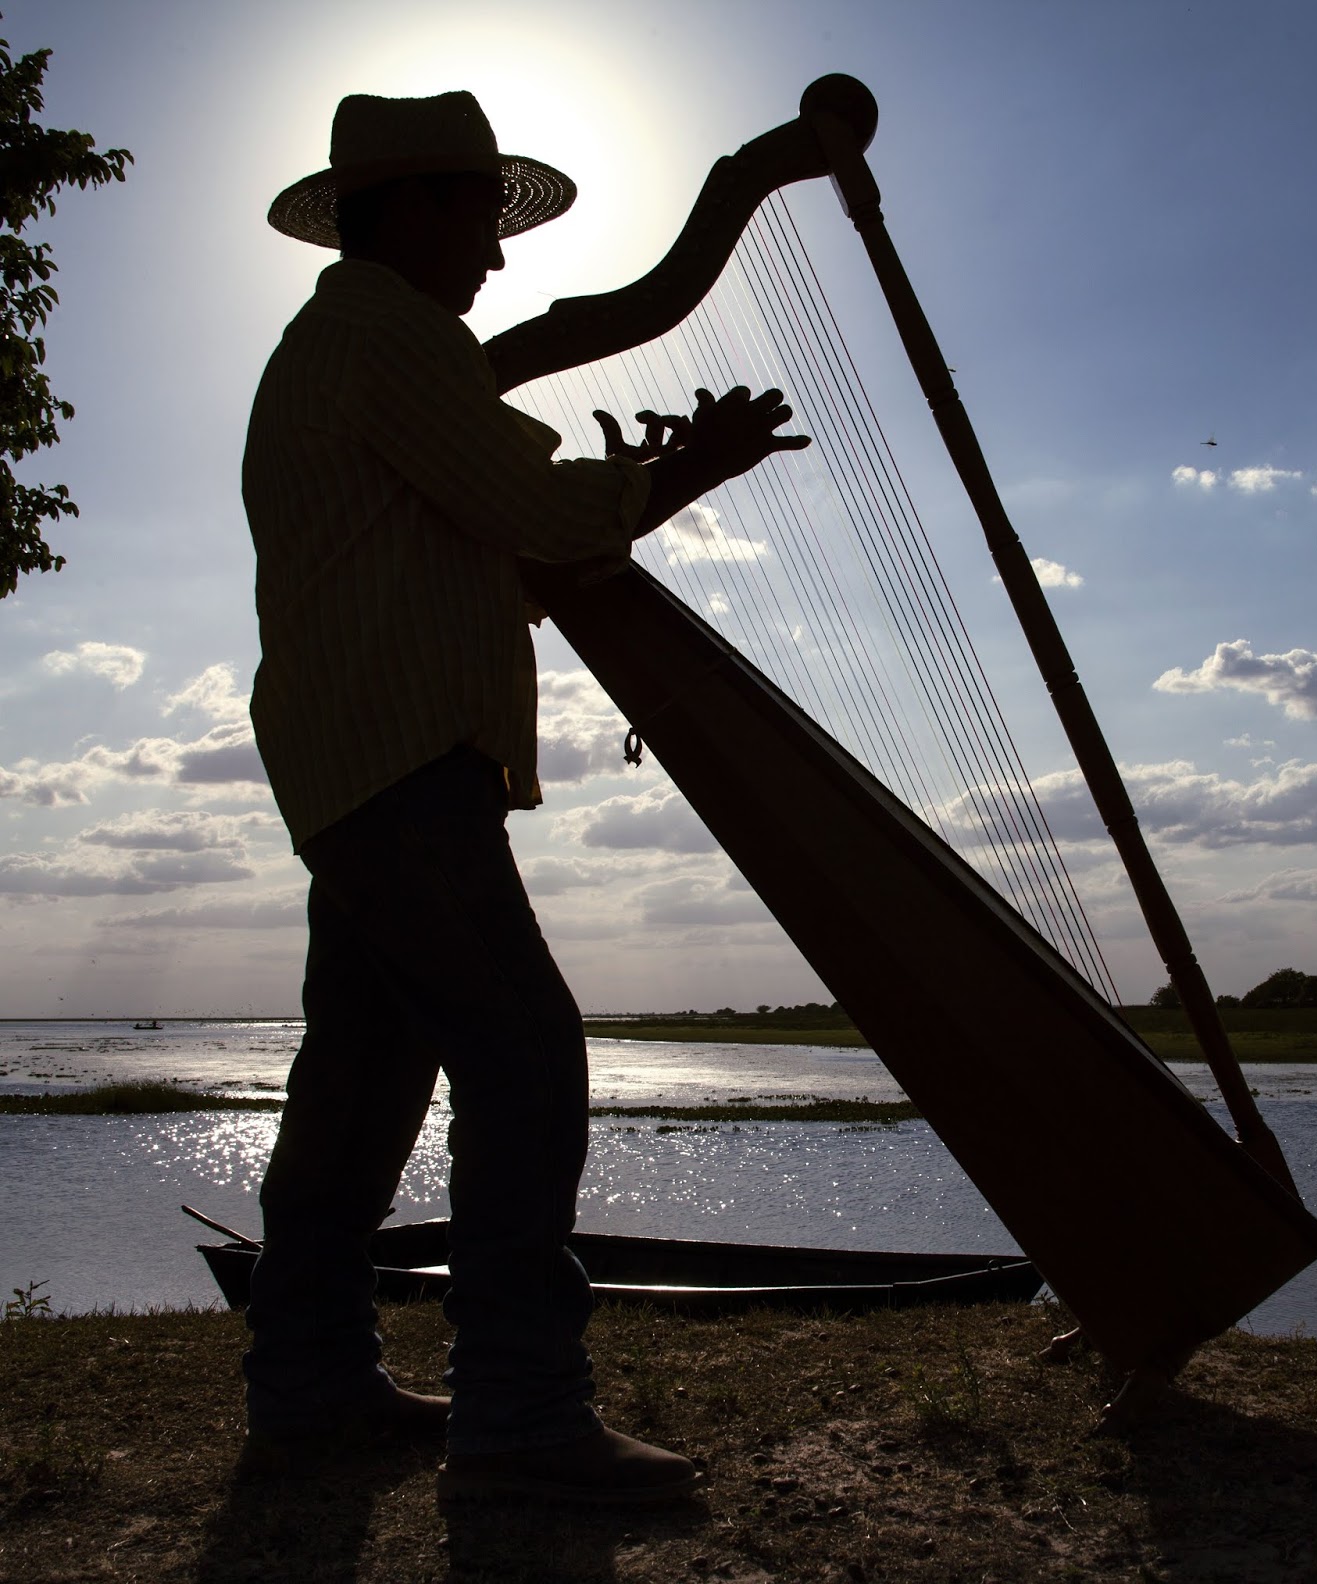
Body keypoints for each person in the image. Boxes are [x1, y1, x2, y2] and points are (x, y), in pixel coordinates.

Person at [241, 88, 807, 1504]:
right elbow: (550, 521)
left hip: (354, 754)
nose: (495, 261)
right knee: (525, 1052)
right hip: (397, 762)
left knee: (363, 1083)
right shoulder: (386, 333)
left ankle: (309, 1385)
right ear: (415, 210)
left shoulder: (344, 346)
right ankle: (519, 1422)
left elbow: (487, 569)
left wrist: (651, 481)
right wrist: (686, 467)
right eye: (479, 221)